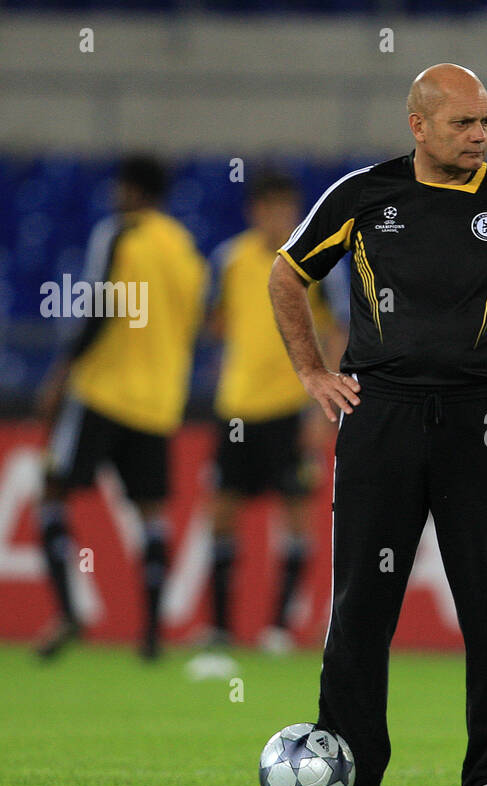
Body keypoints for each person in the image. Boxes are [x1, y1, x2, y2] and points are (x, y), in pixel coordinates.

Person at [268, 64, 487, 786]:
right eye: (464, 123)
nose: (481, 135)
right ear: (418, 125)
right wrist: (311, 372)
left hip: (480, 421)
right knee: (359, 605)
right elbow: (287, 276)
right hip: (379, 415)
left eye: (486, 121)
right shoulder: (361, 197)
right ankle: (351, 772)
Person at [35, 155, 207, 661]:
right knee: (151, 514)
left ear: (131, 190)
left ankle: (67, 611)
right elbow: (191, 325)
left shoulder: (118, 234)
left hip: (102, 392)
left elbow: (96, 308)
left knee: (52, 491)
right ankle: (151, 636)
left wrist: (61, 374)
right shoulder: (184, 251)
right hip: (158, 403)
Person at [189, 171, 344, 679]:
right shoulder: (229, 260)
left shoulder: (315, 262)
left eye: (287, 209)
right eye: (270, 208)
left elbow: (338, 329)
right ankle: (219, 629)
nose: (279, 218)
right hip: (235, 407)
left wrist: (328, 403)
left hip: (291, 408)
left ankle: (279, 628)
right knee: (222, 512)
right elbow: (215, 322)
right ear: (255, 210)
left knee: (296, 512)